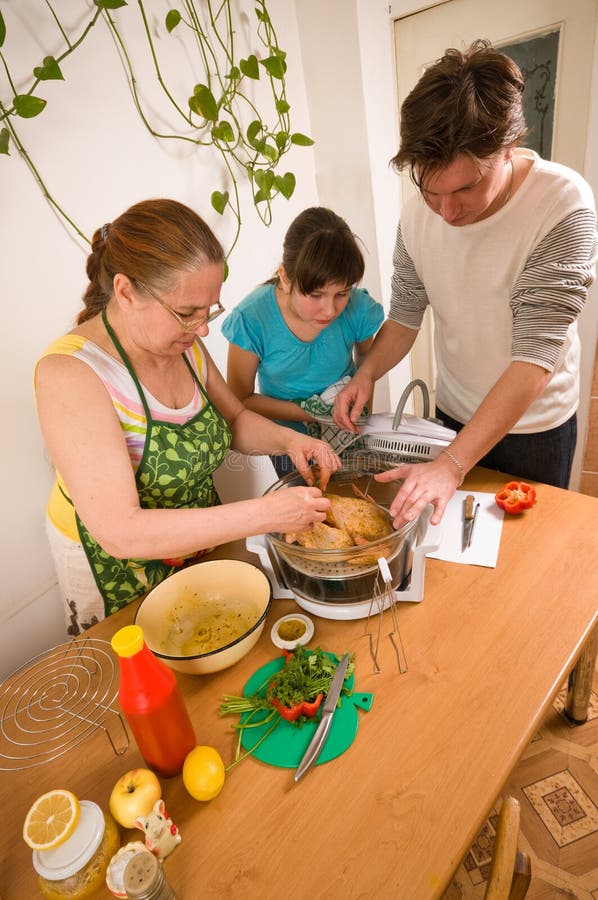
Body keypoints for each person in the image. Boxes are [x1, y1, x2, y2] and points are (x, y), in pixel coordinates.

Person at [34, 199, 341, 634]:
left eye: (210, 310)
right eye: (187, 313)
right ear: (125, 292)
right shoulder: (71, 374)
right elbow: (121, 531)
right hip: (113, 570)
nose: (203, 330)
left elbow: (234, 419)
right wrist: (264, 514)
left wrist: (291, 442)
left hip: (199, 542)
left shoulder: (183, 344)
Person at [334, 39, 597, 528]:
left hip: (534, 429)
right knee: (457, 562)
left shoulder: (561, 207)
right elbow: (407, 314)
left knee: (529, 573)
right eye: (431, 191)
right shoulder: (417, 217)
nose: (448, 212)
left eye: (466, 189)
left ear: (508, 148)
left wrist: (454, 464)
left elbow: (535, 357)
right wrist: (367, 372)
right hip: (451, 416)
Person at [221, 207, 384, 478]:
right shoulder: (251, 320)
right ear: (285, 278)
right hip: (287, 443)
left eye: (341, 293)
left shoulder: (357, 308)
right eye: (316, 295)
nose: (330, 310)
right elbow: (239, 400)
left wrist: (359, 413)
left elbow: (368, 363)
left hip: (347, 431)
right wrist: (313, 413)